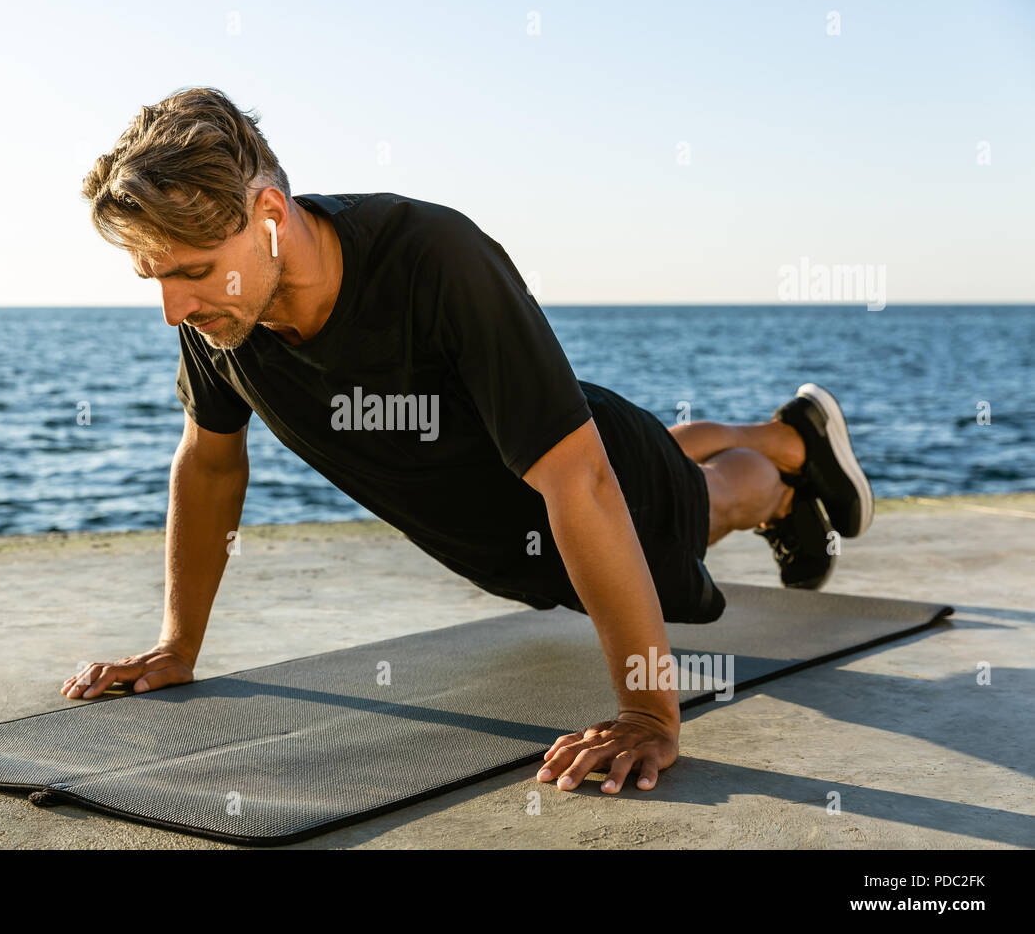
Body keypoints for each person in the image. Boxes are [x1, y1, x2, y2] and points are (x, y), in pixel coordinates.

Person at [61, 86, 874, 796]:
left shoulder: (433, 258)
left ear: (269, 217)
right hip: (532, 492)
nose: (173, 307)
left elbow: (582, 481)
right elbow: (208, 464)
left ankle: (789, 461)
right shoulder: (220, 318)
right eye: (154, 279)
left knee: (701, 506)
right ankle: (776, 434)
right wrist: (176, 646)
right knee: (619, 458)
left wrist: (647, 711)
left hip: (600, 482)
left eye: (193, 272)